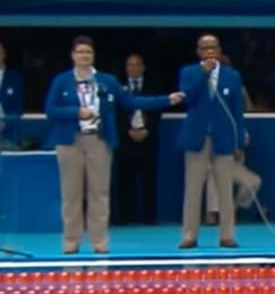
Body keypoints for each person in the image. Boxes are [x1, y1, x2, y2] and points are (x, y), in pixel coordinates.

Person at [44, 35, 182, 254]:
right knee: (72, 194)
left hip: (99, 141)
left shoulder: (106, 81)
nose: (84, 56)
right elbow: (51, 110)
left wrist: (166, 100)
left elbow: (131, 101)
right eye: (80, 52)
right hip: (70, 142)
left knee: (99, 192)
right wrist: (76, 112)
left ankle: (99, 242)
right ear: (72, 56)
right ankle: (71, 242)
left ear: (93, 56)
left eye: (88, 52)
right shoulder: (61, 81)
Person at [176, 34, 247, 250]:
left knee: (225, 188)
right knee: (193, 188)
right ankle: (189, 235)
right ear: (198, 52)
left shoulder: (232, 76)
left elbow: (237, 111)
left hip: (223, 137)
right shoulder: (188, 73)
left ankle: (227, 235)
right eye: (204, 48)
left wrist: (238, 141)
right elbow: (187, 98)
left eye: (212, 47)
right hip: (196, 137)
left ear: (219, 50)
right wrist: (203, 75)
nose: (209, 51)